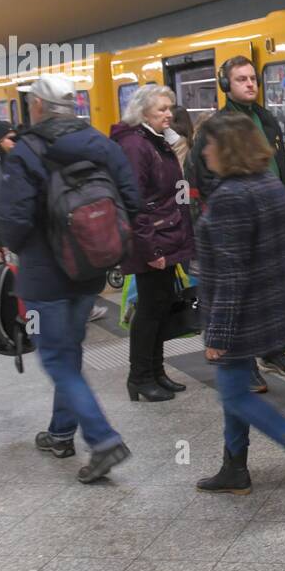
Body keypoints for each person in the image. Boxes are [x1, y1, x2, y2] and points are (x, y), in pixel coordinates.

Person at [0, 76, 142, 483]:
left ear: (39, 106)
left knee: (57, 358)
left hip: (44, 277)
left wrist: (23, 245)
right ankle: (61, 433)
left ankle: (103, 440)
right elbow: (132, 201)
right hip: (90, 270)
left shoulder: (25, 151)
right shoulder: (104, 145)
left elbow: (14, 222)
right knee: (70, 352)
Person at [193, 112, 285, 495]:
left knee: (235, 393)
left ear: (226, 149)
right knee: (234, 392)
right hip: (268, 305)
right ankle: (234, 468)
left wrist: (218, 332)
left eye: (208, 144)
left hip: (240, 315)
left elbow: (231, 273)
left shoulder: (229, 198)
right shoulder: (270, 185)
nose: (204, 152)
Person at [189, 55, 285, 382]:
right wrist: (228, 203)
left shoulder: (267, 119)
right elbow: (202, 175)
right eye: (241, 79)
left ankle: (271, 351)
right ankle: (245, 362)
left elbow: (280, 163)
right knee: (242, 287)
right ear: (226, 85)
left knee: (270, 286)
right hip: (240, 216)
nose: (250, 83)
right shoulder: (219, 126)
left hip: (271, 213)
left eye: (253, 78)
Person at [111, 84, 195, 402]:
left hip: (165, 235)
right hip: (152, 241)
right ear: (143, 112)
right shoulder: (135, 145)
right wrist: (152, 250)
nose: (168, 114)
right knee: (148, 311)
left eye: (169, 108)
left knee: (159, 307)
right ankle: (140, 377)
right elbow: (136, 202)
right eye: (161, 109)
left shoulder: (156, 142)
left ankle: (157, 372)